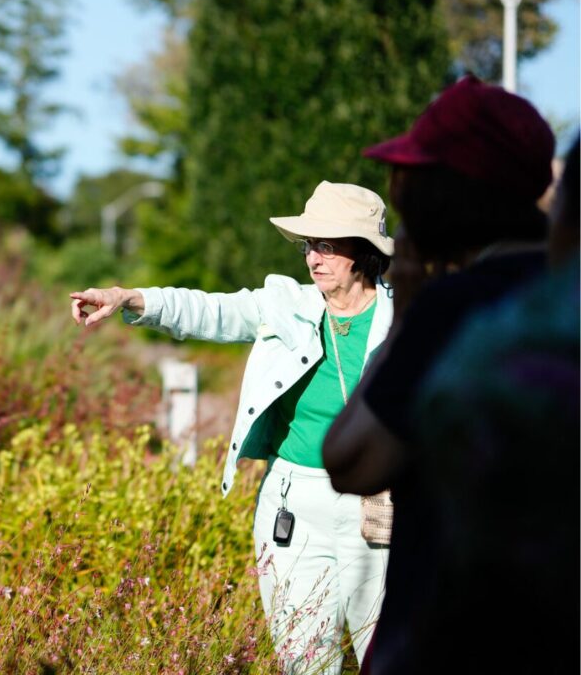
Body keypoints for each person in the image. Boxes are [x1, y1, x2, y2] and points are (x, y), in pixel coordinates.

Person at [71, 181, 394, 674]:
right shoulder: (287, 305)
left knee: (386, 654)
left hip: (375, 507)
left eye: (328, 245)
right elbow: (209, 310)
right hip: (291, 508)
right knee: (303, 662)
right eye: (309, 245)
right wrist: (130, 297)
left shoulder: (406, 316)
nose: (314, 257)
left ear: (364, 252)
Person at [321, 75, 556, 674]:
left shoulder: (456, 308)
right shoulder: (562, 297)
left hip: (452, 638)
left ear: (446, 196)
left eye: (410, 179)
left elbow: (351, 461)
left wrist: (409, 309)